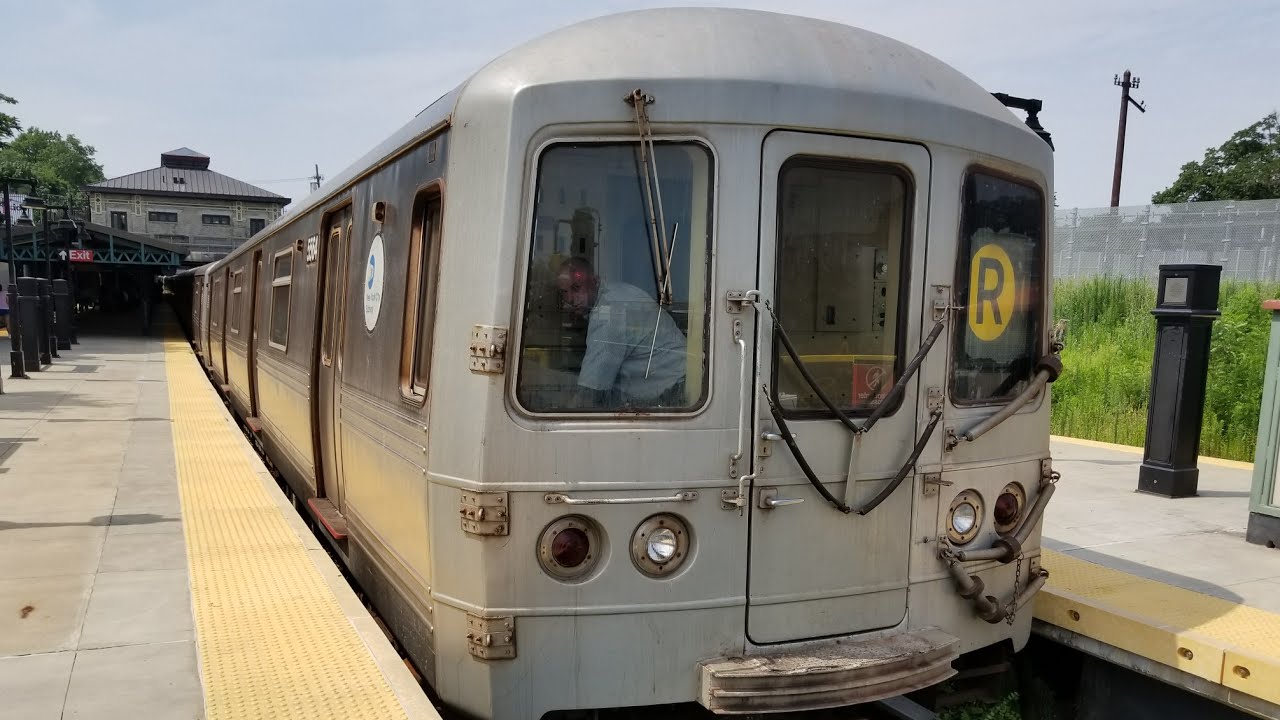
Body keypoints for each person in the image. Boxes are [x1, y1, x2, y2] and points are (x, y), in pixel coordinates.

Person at [556, 257, 687, 408]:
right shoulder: (616, 292)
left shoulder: (608, 315)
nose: (571, 299)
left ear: (594, 281)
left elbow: (590, 392)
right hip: (676, 379)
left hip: (675, 390)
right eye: (565, 292)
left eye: (577, 288)